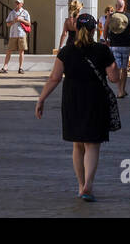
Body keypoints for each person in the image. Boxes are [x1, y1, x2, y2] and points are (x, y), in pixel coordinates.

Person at [35, 13, 120, 202]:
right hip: (96, 99)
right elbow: (114, 78)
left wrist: (41, 99)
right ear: (93, 30)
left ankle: (81, 185)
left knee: (78, 144)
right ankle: (89, 184)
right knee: (92, 144)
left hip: (72, 99)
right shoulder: (102, 50)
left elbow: (54, 78)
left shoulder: (66, 52)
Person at [105, 0, 130, 97]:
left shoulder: (111, 16)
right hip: (126, 45)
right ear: (124, 6)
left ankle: (120, 90)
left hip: (114, 45)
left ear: (116, 5)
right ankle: (122, 90)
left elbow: (105, 28)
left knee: (117, 68)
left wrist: (105, 40)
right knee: (124, 68)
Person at [0, 0, 31, 74]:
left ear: (22, 4)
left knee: (21, 51)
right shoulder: (12, 12)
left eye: (18, 3)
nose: (17, 4)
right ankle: (5, 67)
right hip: (13, 34)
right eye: (16, 2)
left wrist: (21, 20)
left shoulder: (25, 12)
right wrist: (14, 21)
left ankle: (20, 68)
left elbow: (29, 23)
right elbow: (7, 24)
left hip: (21, 34)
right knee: (9, 51)